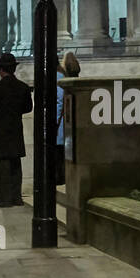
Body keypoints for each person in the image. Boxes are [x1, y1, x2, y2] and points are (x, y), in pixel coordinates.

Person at [0, 52, 32, 208]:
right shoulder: (23, 87)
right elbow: (28, 108)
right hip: (15, 130)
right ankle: (17, 197)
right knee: (16, 165)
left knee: (3, 165)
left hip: (0, 131)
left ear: (1, 70)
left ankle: (5, 197)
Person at [56, 51, 81, 186]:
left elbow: (60, 102)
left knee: (60, 154)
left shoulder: (62, 79)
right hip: (71, 122)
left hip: (62, 124)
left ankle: (61, 177)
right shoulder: (75, 81)